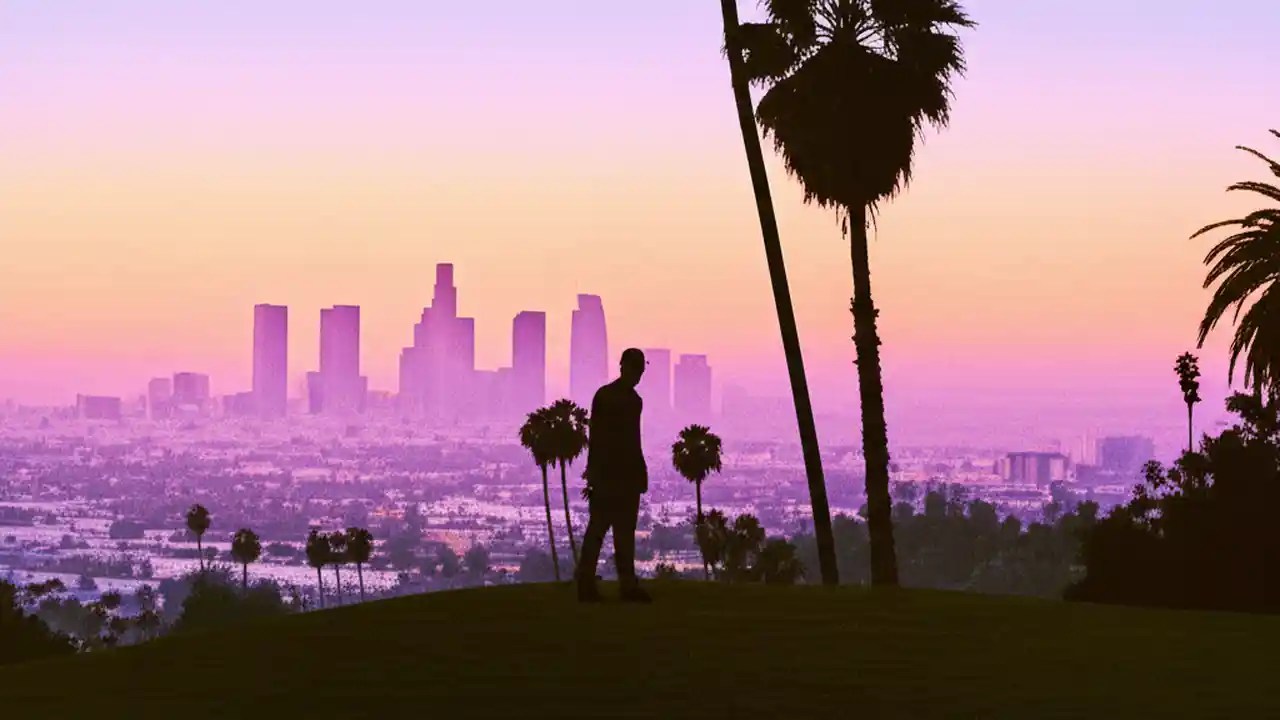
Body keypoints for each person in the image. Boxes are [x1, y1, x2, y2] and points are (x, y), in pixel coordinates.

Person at [576, 348, 652, 603]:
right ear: (625, 367)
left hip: (615, 476)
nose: (639, 374)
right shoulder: (626, 400)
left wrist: (594, 473)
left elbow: (601, 438)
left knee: (604, 532)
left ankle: (592, 584)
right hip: (619, 476)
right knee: (615, 533)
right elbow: (623, 440)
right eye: (637, 369)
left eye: (641, 370)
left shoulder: (611, 397)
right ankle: (623, 586)